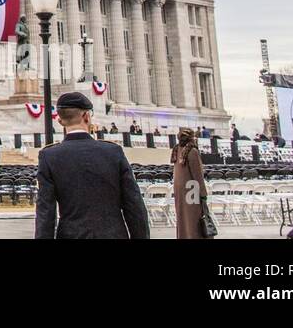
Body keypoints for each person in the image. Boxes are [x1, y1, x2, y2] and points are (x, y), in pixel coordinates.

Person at [35, 91, 149, 240]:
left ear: (60, 121)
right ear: (87, 116)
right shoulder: (113, 152)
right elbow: (134, 206)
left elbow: (45, 213)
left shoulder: (49, 156)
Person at [171, 127, 208, 239]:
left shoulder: (176, 150)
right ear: (191, 138)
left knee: (182, 220)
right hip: (191, 191)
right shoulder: (192, 151)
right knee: (193, 221)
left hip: (180, 192)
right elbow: (198, 176)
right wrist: (203, 194)